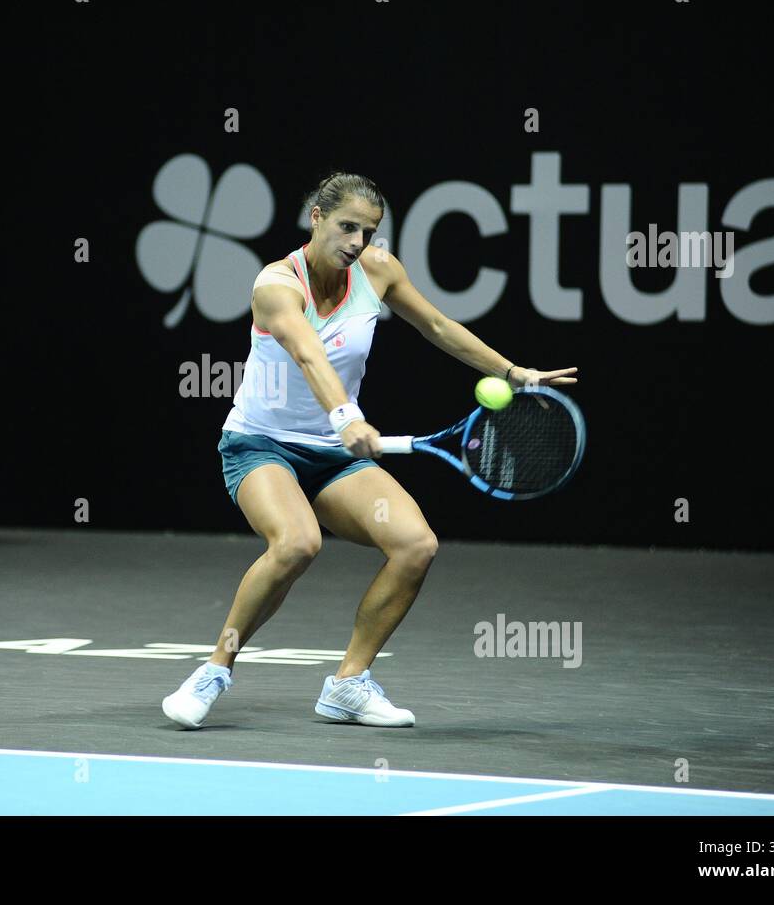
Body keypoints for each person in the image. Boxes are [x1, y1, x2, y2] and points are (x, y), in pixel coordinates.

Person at [162, 172, 577, 728]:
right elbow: (308, 354)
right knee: (298, 543)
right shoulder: (275, 286)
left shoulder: (377, 271)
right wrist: (346, 417)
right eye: (346, 227)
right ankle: (213, 671)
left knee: (415, 544)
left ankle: (347, 684)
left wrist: (512, 371)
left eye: (369, 230)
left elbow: (435, 324)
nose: (357, 242)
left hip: (335, 456)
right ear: (316, 217)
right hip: (261, 445)